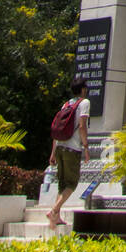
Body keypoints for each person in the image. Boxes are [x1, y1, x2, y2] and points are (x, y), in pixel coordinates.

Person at [47, 78, 90, 228]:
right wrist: (86, 147)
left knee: (62, 184)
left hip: (59, 147)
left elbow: (56, 131)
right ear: (83, 89)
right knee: (72, 183)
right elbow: (82, 126)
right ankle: (54, 210)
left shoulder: (66, 104)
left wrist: (52, 154)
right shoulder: (84, 103)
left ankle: (56, 216)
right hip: (72, 148)